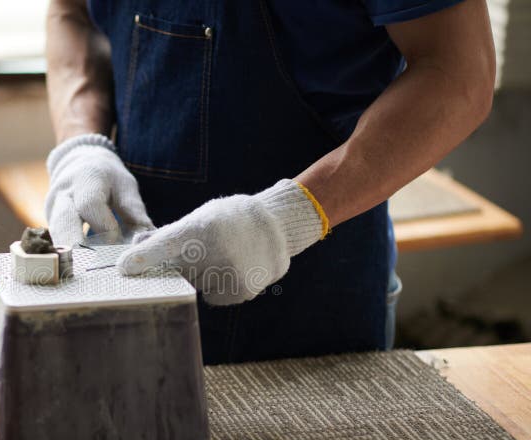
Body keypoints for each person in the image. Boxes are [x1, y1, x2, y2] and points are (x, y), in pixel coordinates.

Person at [43, 0, 495, 364]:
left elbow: (459, 76)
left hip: (311, 295)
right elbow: (71, 13)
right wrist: (82, 145)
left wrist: (283, 221)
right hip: (129, 286)